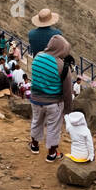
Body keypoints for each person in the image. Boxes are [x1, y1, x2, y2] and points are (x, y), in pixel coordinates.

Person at [29, 33, 72, 162]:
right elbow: (67, 91)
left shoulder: (37, 57)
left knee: (37, 122)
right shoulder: (62, 66)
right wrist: (68, 110)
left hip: (36, 99)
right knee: (54, 128)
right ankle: (52, 154)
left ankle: (34, 146)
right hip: (54, 102)